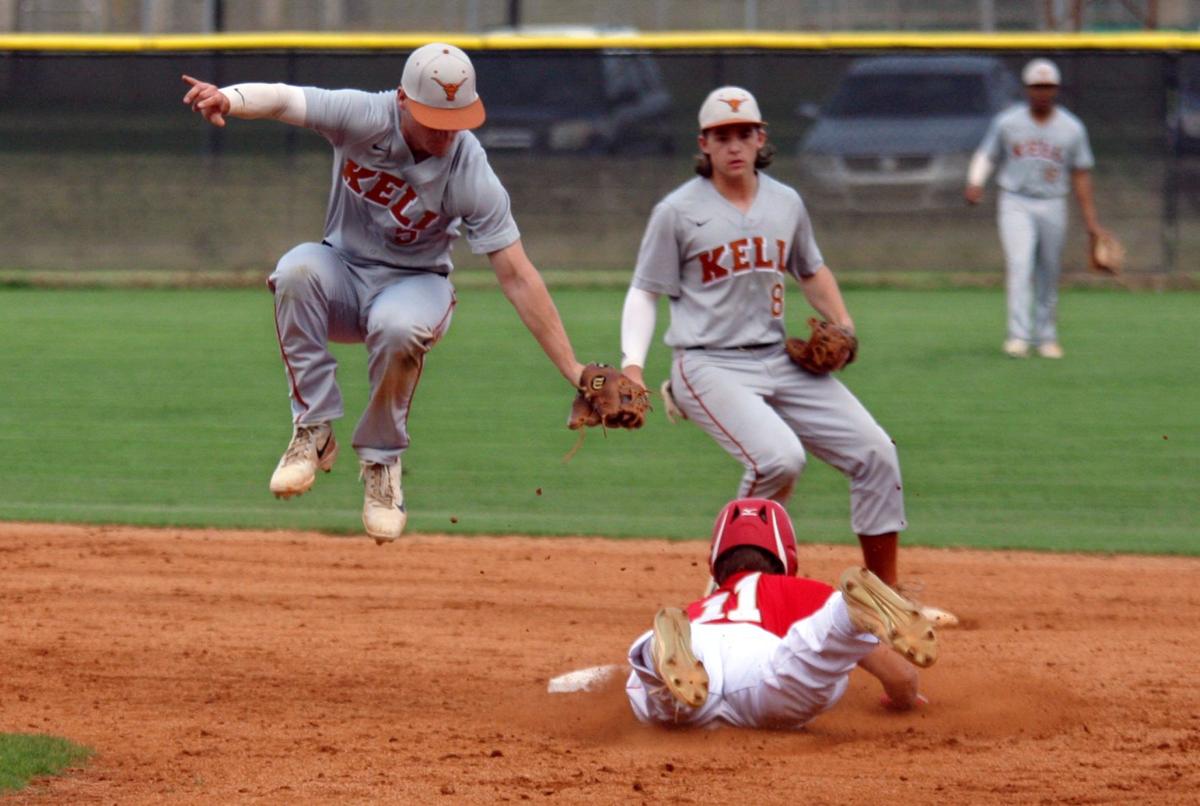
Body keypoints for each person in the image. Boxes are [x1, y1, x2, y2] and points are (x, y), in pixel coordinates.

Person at [182, 43, 586, 542]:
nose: (445, 130)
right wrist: (230, 98)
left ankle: (381, 465)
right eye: (433, 115)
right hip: (344, 274)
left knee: (398, 326)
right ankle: (312, 429)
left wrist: (574, 370)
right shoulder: (365, 116)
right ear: (401, 100)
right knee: (295, 270)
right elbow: (288, 99)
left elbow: (518, 275)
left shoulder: (469, 171)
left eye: (455, 116)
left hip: (415, 285)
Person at [619, 85, 936, 613]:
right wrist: (633, 364)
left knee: (876, 453)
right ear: (704, 144)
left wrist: (844, 323)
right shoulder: (676, 212)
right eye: (722, 136)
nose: (734, 145)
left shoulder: (786, 202)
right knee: (779, 459)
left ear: (761, 137)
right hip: (707, 361)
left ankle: (885, 600)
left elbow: (810, 270)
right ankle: (726, 594)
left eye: (744, 133)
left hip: (777, 359)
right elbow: (644, 291)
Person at [625, 498, 938, 728]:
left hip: (701, 650)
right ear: (787, 555)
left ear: (715, 562)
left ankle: (653, 659)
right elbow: (900, 676)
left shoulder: (696, 609)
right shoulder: (804, 592)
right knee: (809, 662)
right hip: (760, 667)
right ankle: (846, 613)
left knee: (657, 703)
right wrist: (903, 700)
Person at [965, 58, 1112, 359]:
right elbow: (987, 154)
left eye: (1047, 87)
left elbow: (1081, 173)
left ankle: (1046, 336)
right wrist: (976, 181)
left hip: (1053, 202)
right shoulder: (1008, 122)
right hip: (1015, 200)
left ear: (1056, 89)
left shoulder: (1071, 128)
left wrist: (1091, 221)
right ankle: (1019, 336)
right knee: (1020, 265)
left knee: (1049, 270)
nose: (1041, 92)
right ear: (1026, 89)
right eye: (1036, 86)